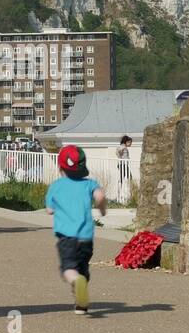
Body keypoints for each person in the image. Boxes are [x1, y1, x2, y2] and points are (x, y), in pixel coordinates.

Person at [46, 145, 107, 315]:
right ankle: (81, 305)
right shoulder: (90, 184)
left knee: (69, 269)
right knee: (83, 267)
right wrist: (102, 209)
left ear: (60, 167)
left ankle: (75, 280)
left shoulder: (56, 186)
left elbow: (49, 210)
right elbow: (100, 196)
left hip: (67, 237)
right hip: (86, 238)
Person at [116, 135, 133, 204]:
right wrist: (120, 157)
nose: (130, 144)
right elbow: (117, 151)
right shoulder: (123, 147)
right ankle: (120, 194)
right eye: (130, 142)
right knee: (129, 177)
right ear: (126, 142)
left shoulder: (124, 147)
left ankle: (122, 192)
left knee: (124, 178)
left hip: (123, 164)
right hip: (123, 164)